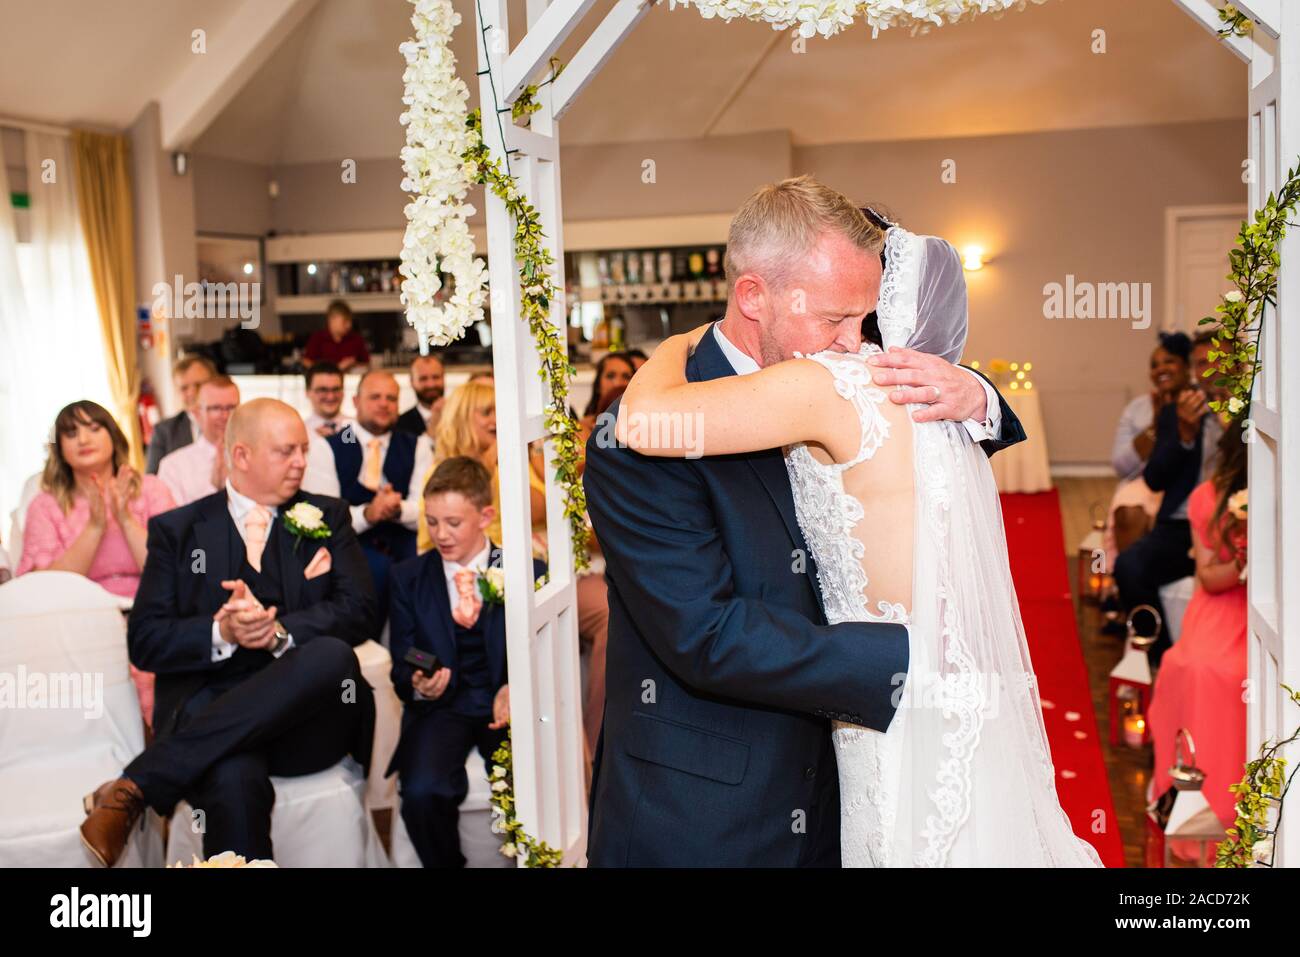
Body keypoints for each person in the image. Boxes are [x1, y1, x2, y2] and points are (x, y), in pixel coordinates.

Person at [583, 177, 1094, 867]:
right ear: (754, 295)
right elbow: (707, 635)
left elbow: (938, 438)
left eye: (867, 314)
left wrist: (974, 392)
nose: (857, 344)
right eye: (833, 319)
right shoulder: (642, 439)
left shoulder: (839, 356)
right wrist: (907, 661)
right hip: (714, 814)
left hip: (851, 785)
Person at [79, 399, 377, 867]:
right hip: (212, 716)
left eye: (303, 449)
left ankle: (136, 785)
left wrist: (278, 631)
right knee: (231, 776)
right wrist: (222, 631)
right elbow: (147, 641)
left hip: (308, 728)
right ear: (240, 455)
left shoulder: (329, 516)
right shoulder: (178, 532)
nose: (302, 461)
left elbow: (362, 609)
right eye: (286, 452)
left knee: (333, 656)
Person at [386, 457, 547, 867]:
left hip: (506, 705)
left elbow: (546, 654)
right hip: (444, 707)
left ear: (486, 516)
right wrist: (421, 677)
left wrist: (517, 686)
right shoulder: (408, 577)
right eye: (432, 521)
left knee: (532, 787)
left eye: (453, 522)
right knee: (423, 791)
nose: (440, 534)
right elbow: (405, 652)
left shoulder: (527, 573)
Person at [18, 401, 176, 725]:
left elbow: (175, 568)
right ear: (59, 448)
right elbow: (45, 587)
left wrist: (125, 519)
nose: (83, 439)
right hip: (80, 622)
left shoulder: (151, 490)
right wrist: (94, 527)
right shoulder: (45, 505)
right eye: (71, 432)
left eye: (94, 428)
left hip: (151, 611)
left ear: (113, 435)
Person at [1148, 417, 1247, 862]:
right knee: (1194, 667)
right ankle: (1200, 804)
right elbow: (1208, 575)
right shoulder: (1208, 498)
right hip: (1224, 603)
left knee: (1236, 674)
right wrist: (1248, 561)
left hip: (1273, 611)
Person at [1115, 331, 1226, 662]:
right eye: (1201, 363)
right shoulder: (1177, 411)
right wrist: (1184, 435)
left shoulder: (1254, 412)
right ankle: (1162, 659)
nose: (1210, 370)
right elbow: (1154, 477)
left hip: (1233, 524)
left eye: (1218, 361)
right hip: (1182, 524)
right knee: (1129, 566)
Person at [310, 371, 432, 612]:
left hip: (405, 549)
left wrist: (397, 509)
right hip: (350, 551)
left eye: (391, 398)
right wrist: (368, 514)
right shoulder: (329, 446)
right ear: (355, 402)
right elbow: (324, 521)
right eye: (375, 397)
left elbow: (425, 509)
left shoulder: (417, 445)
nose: (384, 404)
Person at [157, 376, 240, 506]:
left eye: (231, 408)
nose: (225, 416)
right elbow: (174, 522)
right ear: (197, 413)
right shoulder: (173, 466)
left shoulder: (256, 457)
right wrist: (214, 490)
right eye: (215, 408)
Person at [145, 356, 216, 474]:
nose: (192, 393)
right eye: (184, 388)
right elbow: (153, 480)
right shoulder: (163, 431)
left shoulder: (232, 424)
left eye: (198, 385)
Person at [578, 353, 635, 438]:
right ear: (598, 385)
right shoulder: (582, 429)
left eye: (626, 377)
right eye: (610, 376)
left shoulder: (646, 426)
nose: (617, 383)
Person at [303, 300, 370, 371]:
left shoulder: (356, 339)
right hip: (324, 380)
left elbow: (367, 364)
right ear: (332, 319)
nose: (349, 325)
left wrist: (353, 364)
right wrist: (336, 368)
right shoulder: (318, 338)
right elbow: (306, 362)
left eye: (350, 321)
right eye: (345, 321)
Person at [396, 353, 446, 439]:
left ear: (443, 378)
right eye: (423, 378)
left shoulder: (462, 417)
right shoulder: (399, 425)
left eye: (436, 377)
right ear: (412, 382)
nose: (431, 384)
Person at [304, 362, 351, 437]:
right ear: (307, 392)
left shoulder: (359, 429)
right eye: (323, 390)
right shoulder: (301, 432)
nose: (330, 397)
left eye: (336, 389)